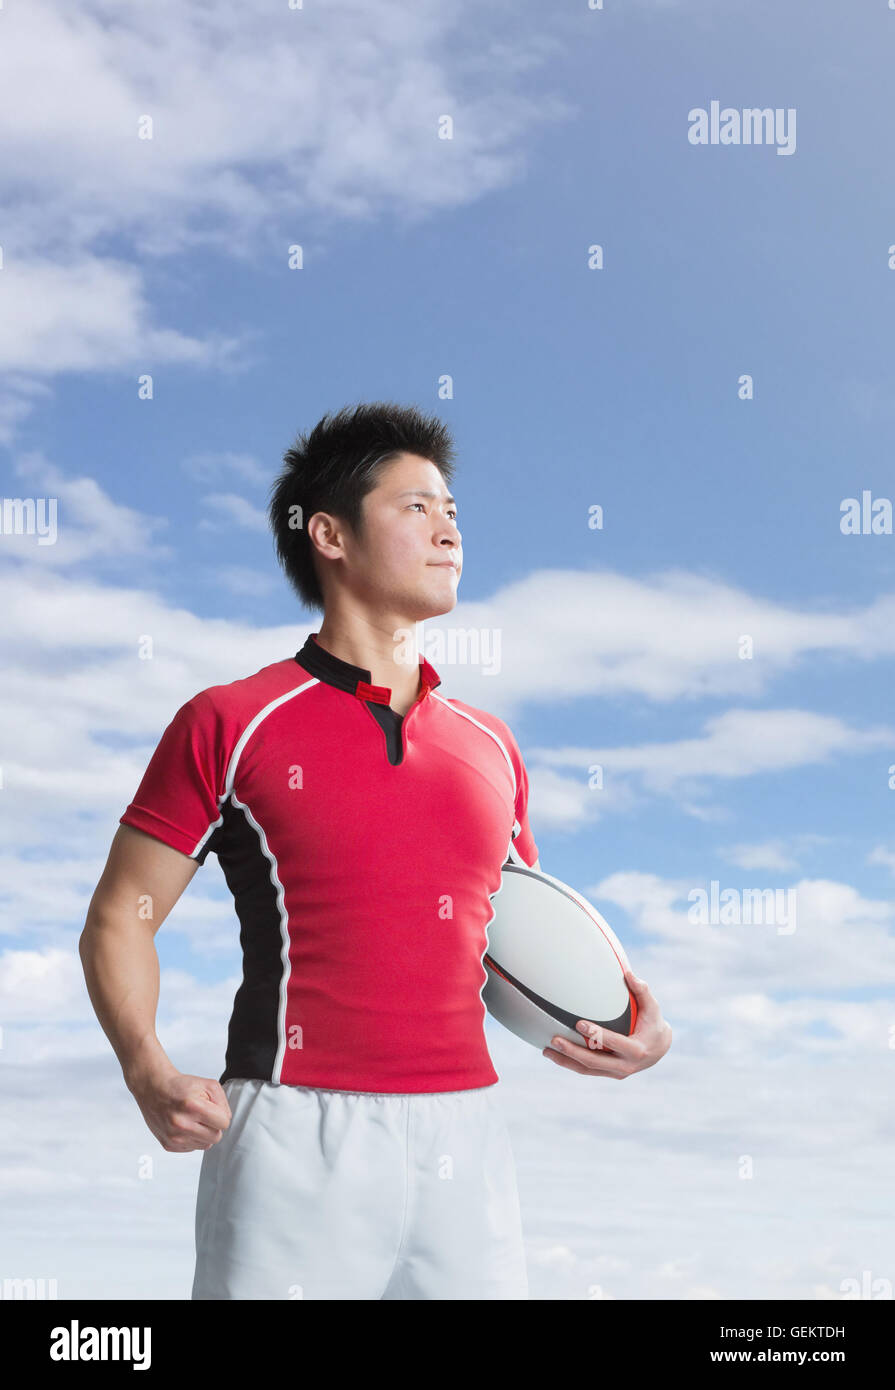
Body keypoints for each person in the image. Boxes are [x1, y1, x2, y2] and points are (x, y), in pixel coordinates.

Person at [79, 401, 671, 1301]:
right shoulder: (230, 721)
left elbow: (502, 941)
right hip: (288, 1131)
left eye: (454, 512)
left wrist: (623, 1026)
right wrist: (145, 1066)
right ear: (329, 535)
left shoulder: (491, 744)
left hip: (466, 1143)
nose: (449, 530)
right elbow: (124, 915)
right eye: (416, 507)